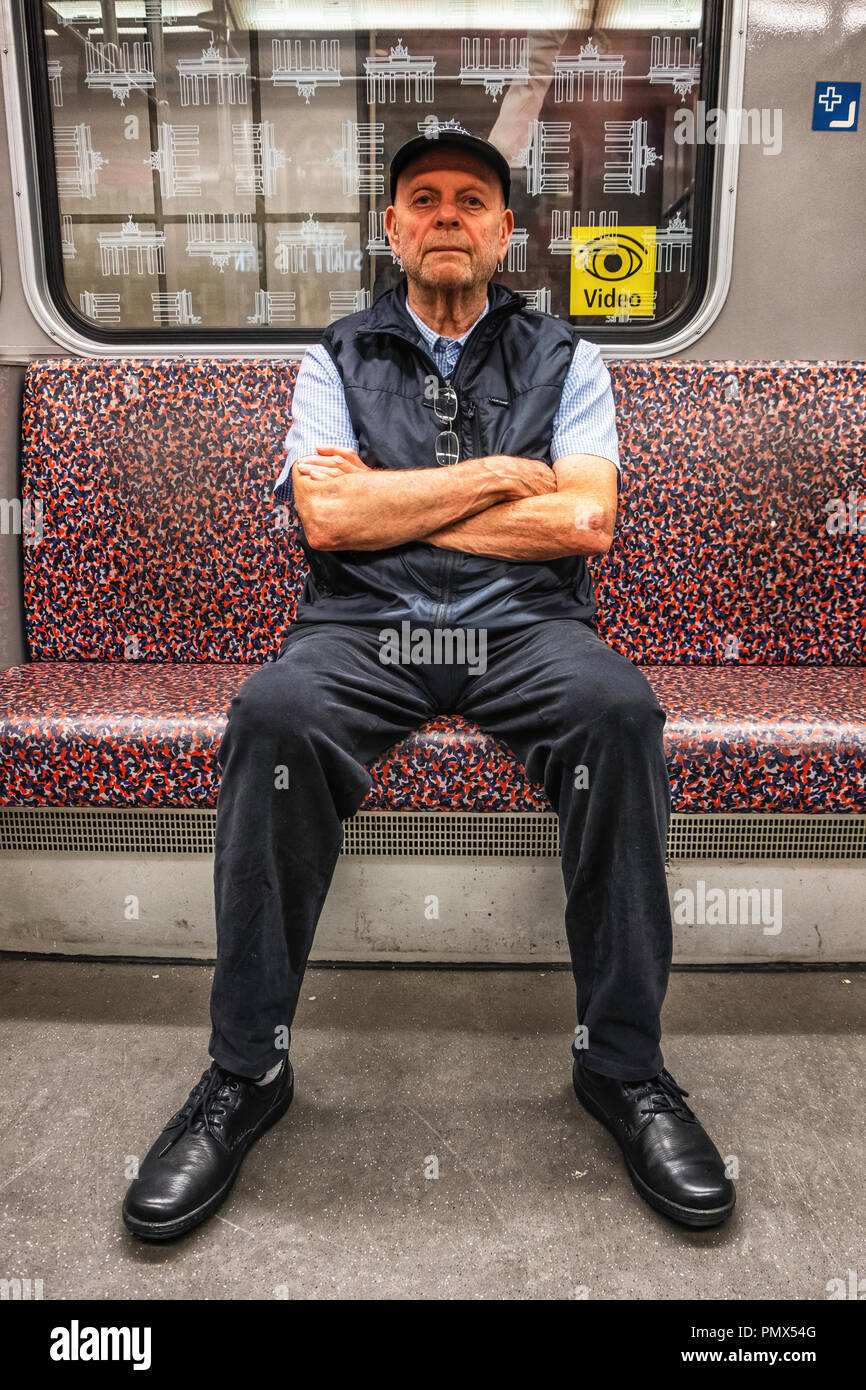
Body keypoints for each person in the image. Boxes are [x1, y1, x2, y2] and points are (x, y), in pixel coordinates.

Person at [122, 125, 735, 1242]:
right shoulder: (333, 358)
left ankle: (623, 1065)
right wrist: (499, 476)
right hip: (362, 624)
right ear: (392, 228)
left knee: (620, 713)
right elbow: (329, 517)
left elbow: (582, 519)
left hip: (521, 625)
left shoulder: (569, 358)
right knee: (270, 717)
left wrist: (403, 499)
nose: (446, 214)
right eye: (423, 198)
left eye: (470, 200)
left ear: (504, 232)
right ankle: (245, 1070)